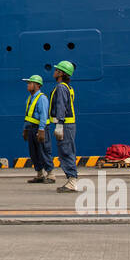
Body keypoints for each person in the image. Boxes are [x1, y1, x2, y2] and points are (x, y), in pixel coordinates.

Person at [49, 61, 80, 192]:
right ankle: (71, 180)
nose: (54, 71)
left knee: (66, 151)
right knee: (67, 151)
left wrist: (59, 124)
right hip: (68, 124)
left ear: (61, 73)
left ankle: (72, 181)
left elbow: (61, 106)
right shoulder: (67, 87)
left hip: (65, 125)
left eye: (56, 70)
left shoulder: (61, 87)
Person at [22, 74, 53, 184]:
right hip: (31, 129)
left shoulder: (42, 98)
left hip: (40, 129)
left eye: (30, 83)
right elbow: (28, 116)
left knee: (44, 151)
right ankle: (40, 174)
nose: (28, 85)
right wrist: (25, 129)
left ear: (37, 85)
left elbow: (43, 115)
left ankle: (51, 175)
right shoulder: (30, 98)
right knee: (34, 153)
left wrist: (41, 130)